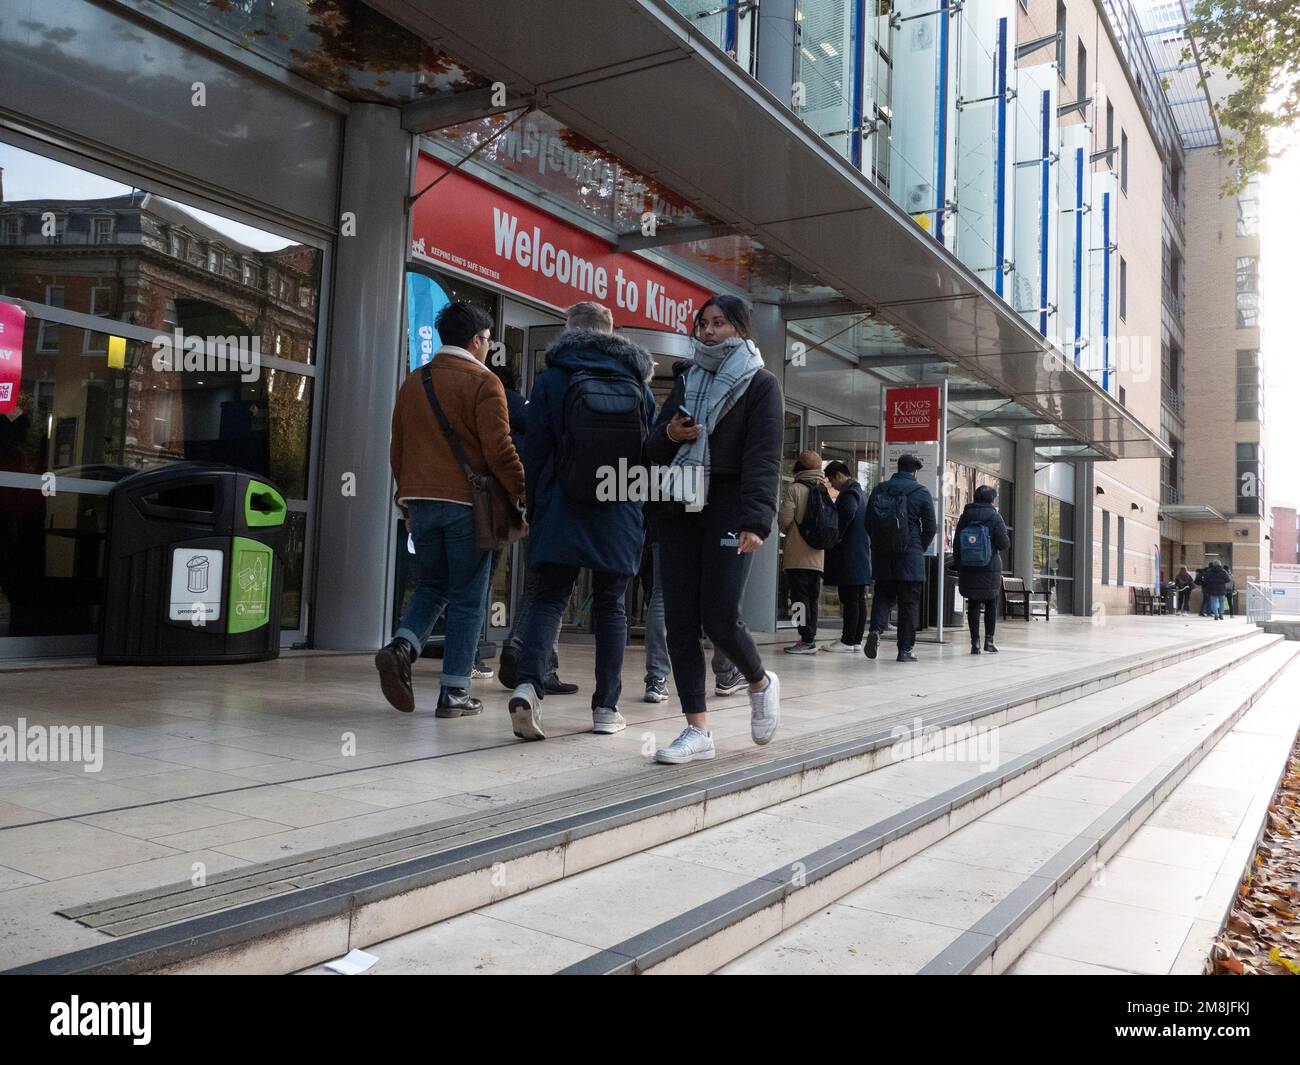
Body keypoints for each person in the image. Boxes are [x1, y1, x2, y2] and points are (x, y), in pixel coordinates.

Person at [644, 294, 783, 765]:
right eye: (702, 323)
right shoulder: (686, 381)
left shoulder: (761, 385)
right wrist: (670, 436)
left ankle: (760, 682)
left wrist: (756, 520)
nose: (707, 331)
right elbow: (651, 445)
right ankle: (696, 729)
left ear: (741, 329)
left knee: (719, 615)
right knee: (680, 618)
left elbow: (763, 457)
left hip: (729, 504)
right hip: (680, 503)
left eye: (719, 323)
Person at [507, 302, 655, 740]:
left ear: (569, 331)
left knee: (550, 599)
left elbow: (535, 451)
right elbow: (647, 455)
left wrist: (534, 507)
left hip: (561, 503)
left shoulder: (553, 378)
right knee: (612, 607)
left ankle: (530, 687)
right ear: (612, 333)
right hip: (619, 505)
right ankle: (606, 708)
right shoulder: (637, 384)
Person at [376, 301, 525, 716]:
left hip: (419, 503)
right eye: (488, 339)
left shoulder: (414, 381)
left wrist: (405, 499)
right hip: (467, 506)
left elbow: (397, 449)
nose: (488, 346)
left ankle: (402, 647)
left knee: (432, 586)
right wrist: (521, 489)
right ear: (477, 340)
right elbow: (499, 450)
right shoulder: (484, 382)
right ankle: (454, 692)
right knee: (468, 597)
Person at [490, 361, 578, 696]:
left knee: (536, 586)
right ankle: (532, 661)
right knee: (548, 589)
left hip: (504, 504)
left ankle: (514, 650)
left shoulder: (496, 407)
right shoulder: (521, 406)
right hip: (536, 503)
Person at [643, 529, 747, 701]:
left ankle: (656, 677)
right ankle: (725, 673)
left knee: (662, 593)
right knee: (718, 591)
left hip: (667, 520)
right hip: (710, 527)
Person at [863, 453, 937, 663]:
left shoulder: (880, 489)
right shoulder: (921, 492)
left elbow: (868, 522)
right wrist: (918, 547)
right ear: (915, 471)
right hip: (910, 554)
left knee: (883, 595)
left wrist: (880, 544)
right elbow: (930, 527)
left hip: (883, 554)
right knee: (908, 602)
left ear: (898, 468)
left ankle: (876, 630)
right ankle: (904, 650)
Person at [778, 450, 829, 654]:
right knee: (812, 597)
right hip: (817, 555)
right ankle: (811, 637)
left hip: (797, 555)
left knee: (799, 598)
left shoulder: (795, 489)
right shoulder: (823, 490)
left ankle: (804, 639)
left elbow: (784, 521)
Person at [954, 485, 1011, 654]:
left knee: (973, 604)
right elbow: (1003, 543)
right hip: (989, 566)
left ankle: (975, 643)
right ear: (991, 499)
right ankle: (989, 641)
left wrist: (959, 566)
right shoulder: (995, 517)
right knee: (991, 604)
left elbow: (957, 543)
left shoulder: (965, 517)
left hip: (968, 567)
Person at [822, 459, 870, 652]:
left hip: (849, 555)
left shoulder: (849, 493)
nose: (832, 485)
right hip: (860, 554)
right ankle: (856, 640)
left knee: (850, 598)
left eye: (832, 481)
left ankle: (847, 640)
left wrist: (837, 536)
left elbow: (846, 514)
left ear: (839, 476)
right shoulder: (861, 492)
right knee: (858, 598)